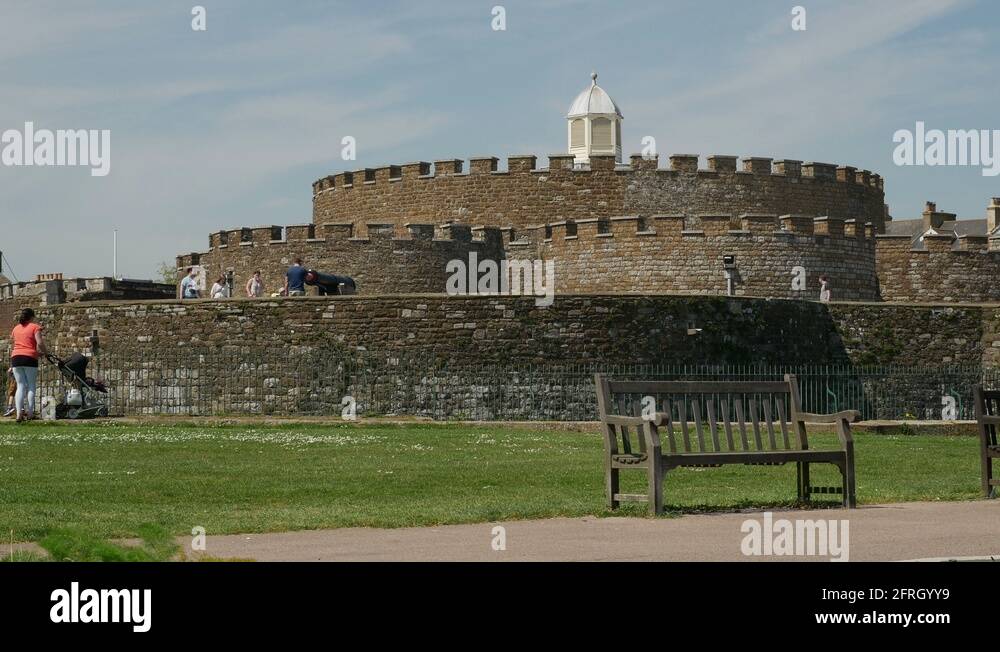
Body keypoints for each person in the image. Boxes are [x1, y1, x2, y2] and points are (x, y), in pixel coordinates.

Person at [10, 308, 46, 423]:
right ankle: (30, 413)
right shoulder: (35, 327)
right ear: (32, 317)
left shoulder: (15, 328)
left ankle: (19, 414)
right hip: (29, 358)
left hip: (16, 358)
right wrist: (45, 352)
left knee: (20, 386)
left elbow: (17, 343)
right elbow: (39, 343)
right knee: (31, 386)